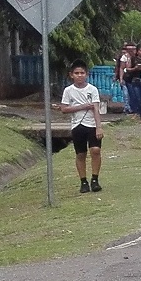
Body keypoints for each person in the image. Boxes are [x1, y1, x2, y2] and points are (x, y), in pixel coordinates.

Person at [59, 63, 106, 193]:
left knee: (95, 150)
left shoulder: (92, 89)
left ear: (86, 74)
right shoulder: (68, 91)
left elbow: (96, 108)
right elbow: (64, 109)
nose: (79, 76)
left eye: (82, 73)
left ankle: (95, 179)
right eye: (76, 73)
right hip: (77, 125)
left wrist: (99, 127)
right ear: (71, 75)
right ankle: (83, 180)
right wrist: (83, 106)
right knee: (81, 154)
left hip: (91, 124)